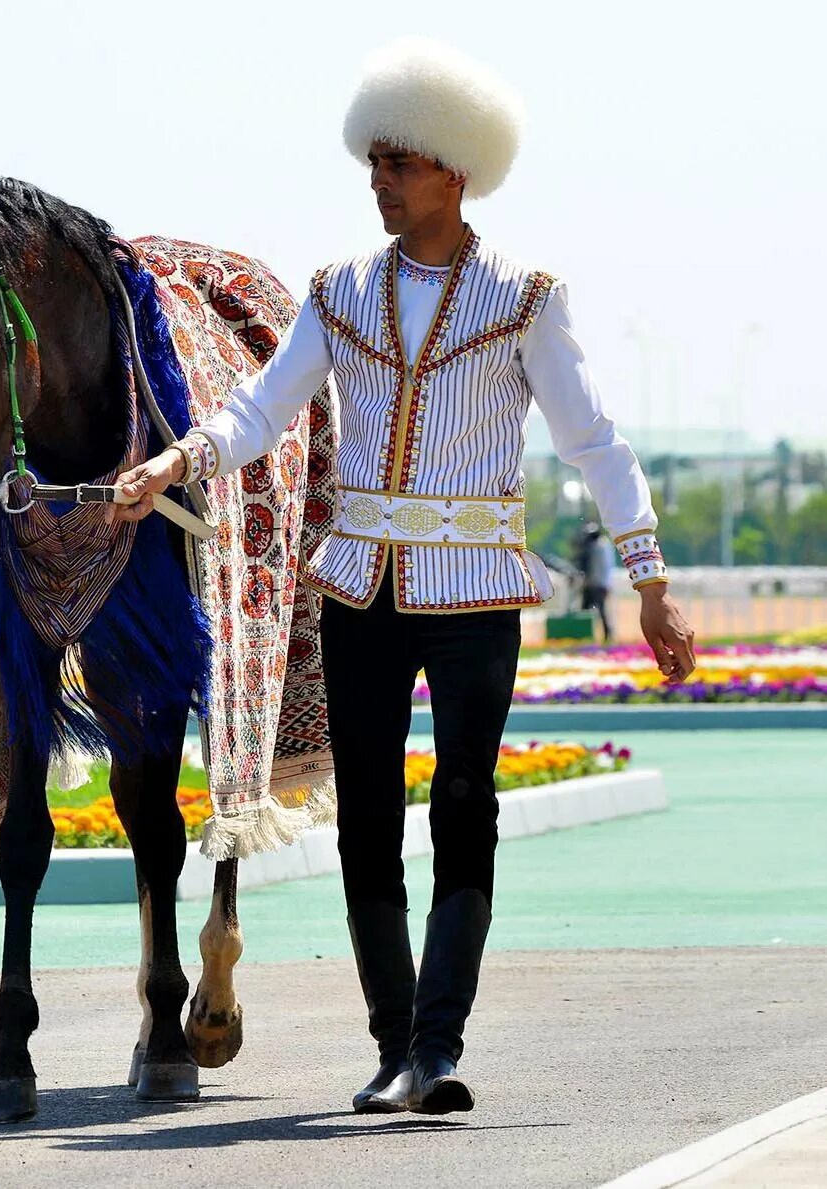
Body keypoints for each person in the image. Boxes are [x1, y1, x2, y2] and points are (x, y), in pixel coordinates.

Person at [110, 41, 696, 1115]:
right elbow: (260, 408)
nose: (377, 181)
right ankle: (391, 1043)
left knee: (465, 806)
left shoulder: (524, 298)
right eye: (372, 162)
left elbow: (592, 441)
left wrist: (646, 573)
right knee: (367, 817)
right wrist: (176, 462)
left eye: (397, 163)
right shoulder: (337, 292)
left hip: (474, 591)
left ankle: (439, 1043)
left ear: (454, 170)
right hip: (358, 592)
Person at [576, 522, 618, 641]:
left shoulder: (597, 547)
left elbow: (589, 565)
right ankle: (602, 634)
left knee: (596, 609)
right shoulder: (605, 544)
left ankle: (600, 634)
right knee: (595, 609)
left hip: (596, 583)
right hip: (603, 582)